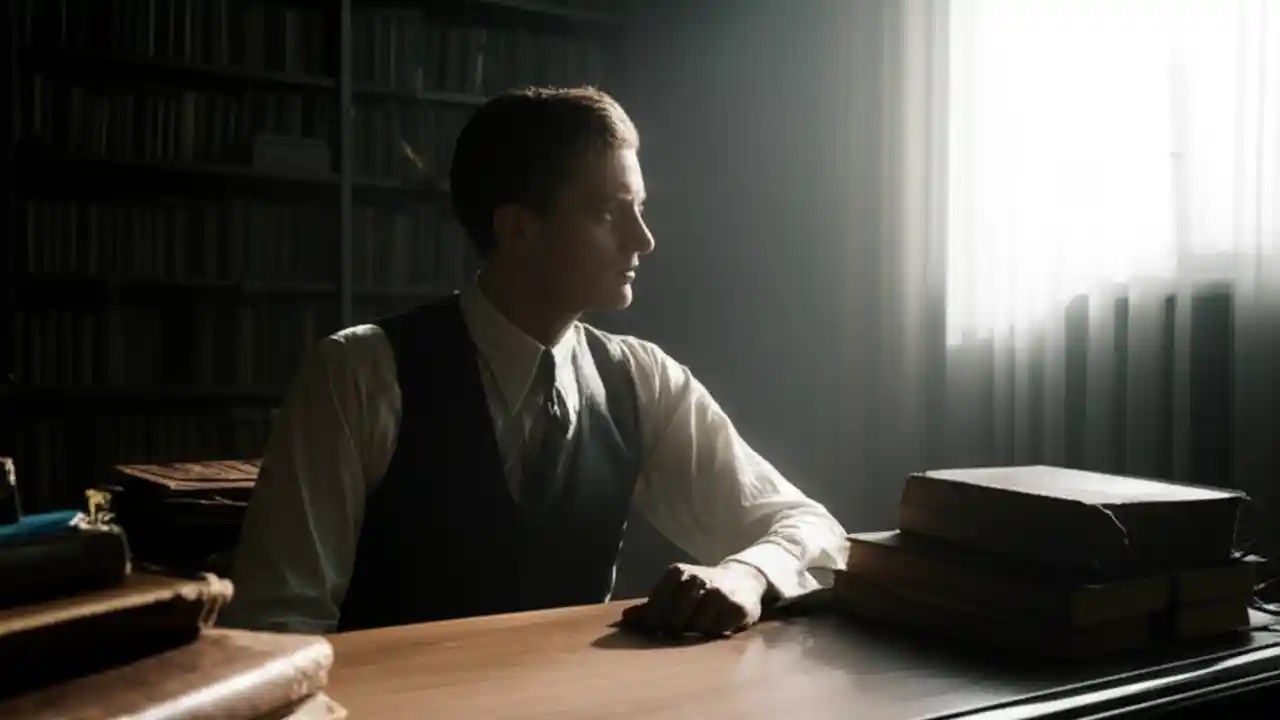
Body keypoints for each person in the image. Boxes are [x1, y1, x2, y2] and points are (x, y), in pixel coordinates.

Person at [221, 87, 848, 637]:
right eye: (608, 213)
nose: (643, 239)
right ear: (518, 229)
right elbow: (276, 625)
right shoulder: (358, 373)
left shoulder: (641, 379)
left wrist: (746, 573)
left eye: (641, 208)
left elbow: (811, 527)